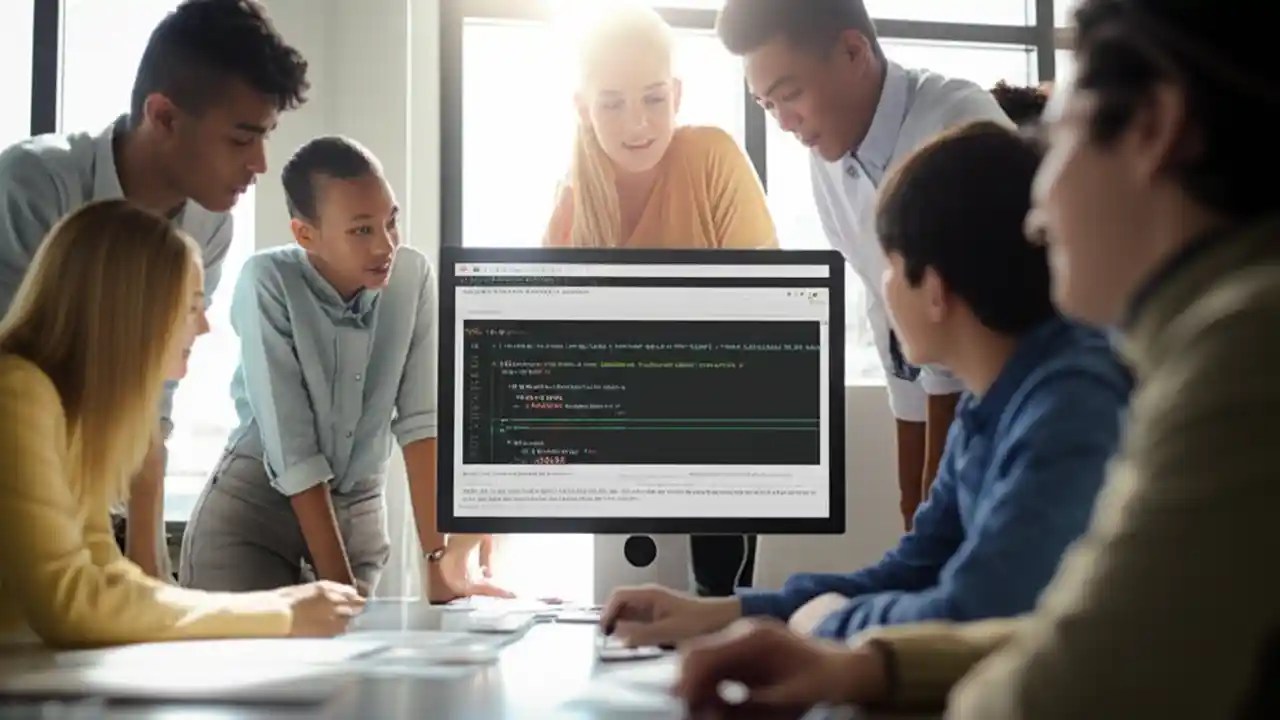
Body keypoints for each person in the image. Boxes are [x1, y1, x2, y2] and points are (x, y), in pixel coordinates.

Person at [674, 0, 1280, 717]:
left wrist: (833, 629)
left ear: (1153, 128)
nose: (1036, 209)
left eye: (1055, 141)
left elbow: (1066, 678)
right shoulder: (1162, 358)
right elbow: (1041, 635)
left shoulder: (1236, 355)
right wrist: (850, 658)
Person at [601, 122, 1129, 646]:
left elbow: (973, 608)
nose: (882, 289)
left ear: (935, 290)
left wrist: (825, 622)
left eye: (890, 266)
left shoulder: (1069, 407)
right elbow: (909, 571)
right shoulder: (989, 404)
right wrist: (722, 612)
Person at [0, 0, 309, 578]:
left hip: (95, 500)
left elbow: (152, 395)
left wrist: (148, 563)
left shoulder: (211, 223)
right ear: (163, 115)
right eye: (242, 138)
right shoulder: (34, 186)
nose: (261, 164)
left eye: (265, 136)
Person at [0, 200, 363, 648]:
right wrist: (277, 612)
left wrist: (281, 603)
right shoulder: (17, 393)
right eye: (192, 306)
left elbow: (106, 576)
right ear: (132, 310)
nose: (206, 326)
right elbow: (70, 603)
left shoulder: (69, 412)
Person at [716, 0, 1015, 529]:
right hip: (955, 397)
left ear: (854, 51)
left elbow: (964, 340)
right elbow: (893, 325)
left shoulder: (953, 128)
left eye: (791, 95)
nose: (785, 123)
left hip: (1016, 407)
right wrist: (913, 508)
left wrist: (930, 515)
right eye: (767, 106)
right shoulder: (828, 155)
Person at [180, 137, 508, 602]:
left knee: (353, 672)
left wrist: (439, 565)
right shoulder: (266, 282)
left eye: (391, 221)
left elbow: (421, 427)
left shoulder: (413, 279)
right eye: (361, 230)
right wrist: (341, 592)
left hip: (357, 516)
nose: (386, 244)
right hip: (254, 516)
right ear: (305, 234)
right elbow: (293, 452)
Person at [543, 2, 777, 599]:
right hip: (620, 449)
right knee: (626, 601)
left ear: (675, 93)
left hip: (721, 439)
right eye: (612, 103)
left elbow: (766, 318)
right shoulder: (572, 202)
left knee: (715, 599)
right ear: (581, 107)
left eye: (652, 98)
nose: (637, 123)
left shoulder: (712, 158)